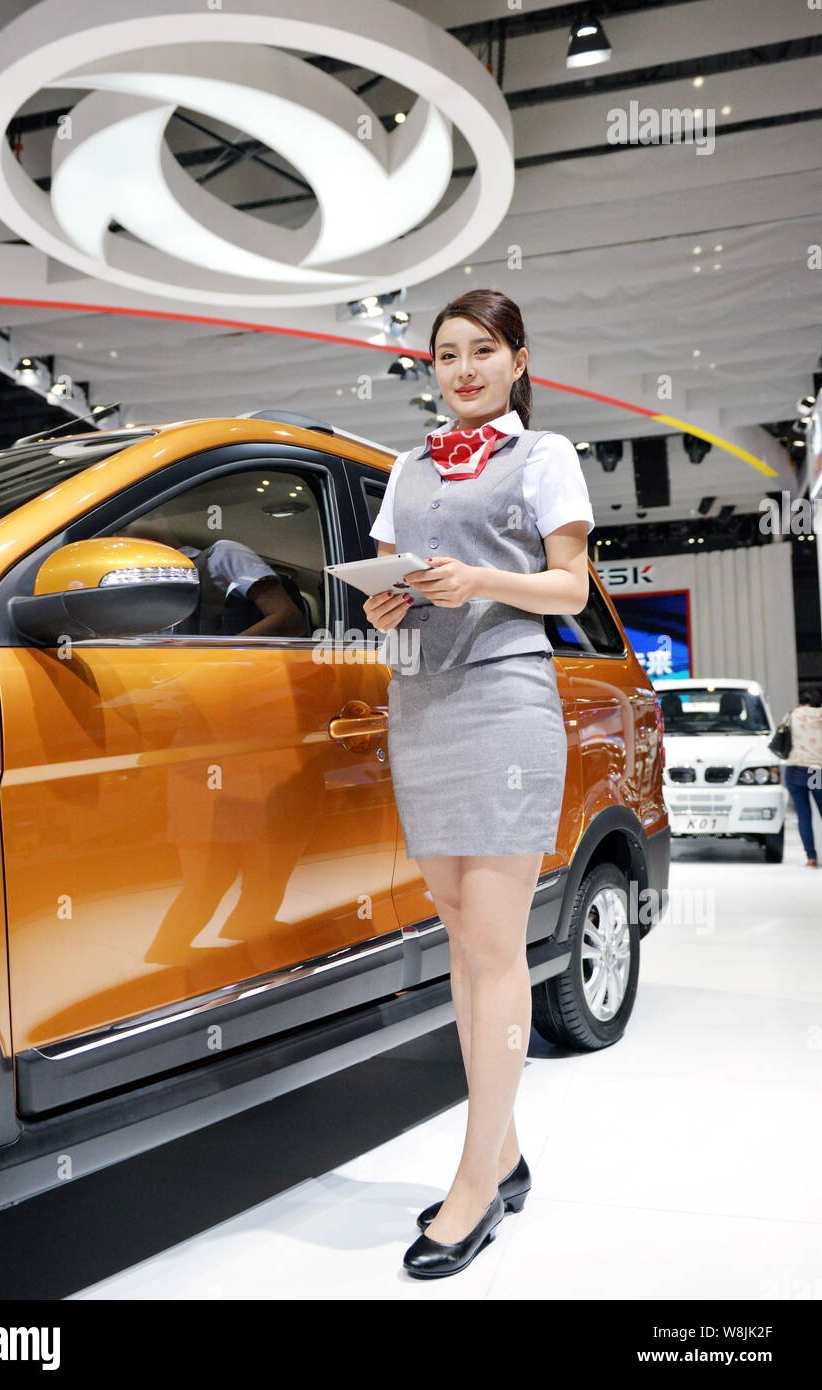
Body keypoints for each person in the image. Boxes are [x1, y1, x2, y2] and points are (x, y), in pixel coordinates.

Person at [364, 289, 594, 1278]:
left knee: (496, 944)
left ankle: (474, 1184)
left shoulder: (543, 456)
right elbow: (388, 577)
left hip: (504, 698)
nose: (461, 369)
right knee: (460, 935)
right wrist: (381, 605)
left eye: (481, 352)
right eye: (446, 354)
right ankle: (502, 1152)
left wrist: (481, 580)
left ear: (517, 361)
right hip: (419, 703)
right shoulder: (407, 468)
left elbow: (570, 589)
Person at [781, 687, 822, 867]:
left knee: (803, 815)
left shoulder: (792, 715)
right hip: (815, 770)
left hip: (795, 768)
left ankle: (811, 857)